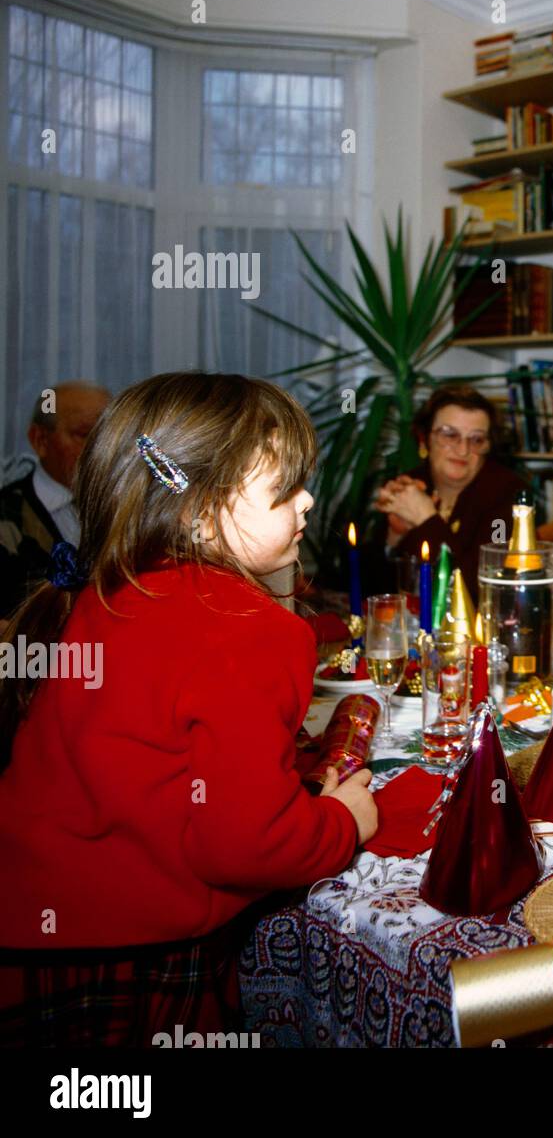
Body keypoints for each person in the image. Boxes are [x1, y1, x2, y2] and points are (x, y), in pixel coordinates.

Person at [0, 372, 377, 1046]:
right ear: (201, 513)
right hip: (131, 948)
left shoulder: (111, 591)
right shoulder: (253, 627)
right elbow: (247, 844)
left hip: (33, 927)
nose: (310, 500)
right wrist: (341, 822)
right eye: (286, 489)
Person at [373, 385, 525, 603]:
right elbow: (374, 593)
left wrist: (426, 518)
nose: (462, 450)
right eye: (449, 434)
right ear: (424, 439)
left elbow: (484, 593)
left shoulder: (508, 494)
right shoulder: (409, 486)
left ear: (488, 446)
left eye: (476, 439)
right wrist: (394, 536)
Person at [0, 382, 110, 619]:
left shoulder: (131, 510)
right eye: (85, 434)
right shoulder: (6, 515)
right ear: (40, 440)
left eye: (110, 436)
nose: (101, 448)